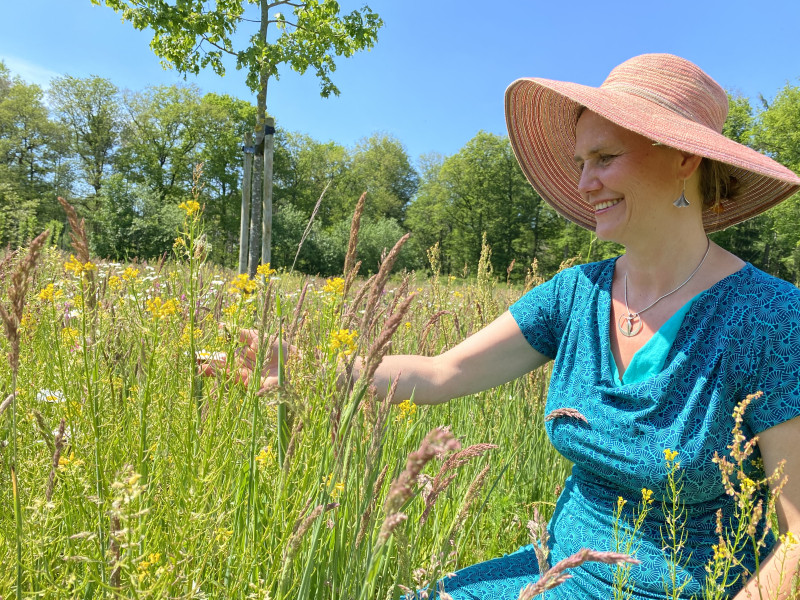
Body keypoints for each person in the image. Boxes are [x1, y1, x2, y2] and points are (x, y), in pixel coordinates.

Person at [204, 54, 800, 599]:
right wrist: (313, 372)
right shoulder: (576, 295)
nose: (584, 183)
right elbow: (442, 372)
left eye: (604, 158)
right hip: (554, 570)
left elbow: (797, 540)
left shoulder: (768, 317)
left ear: (684, 158)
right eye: (580, 163)